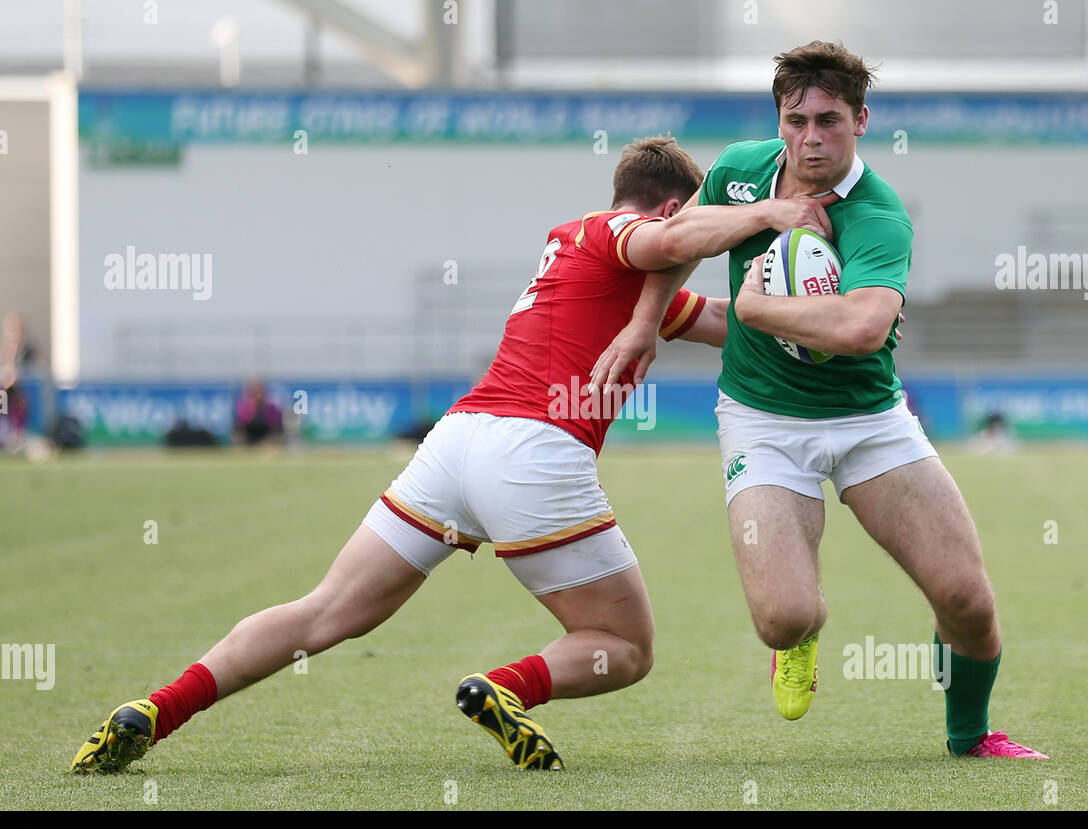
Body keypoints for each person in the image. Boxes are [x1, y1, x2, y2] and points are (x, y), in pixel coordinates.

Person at [69, 136, 836, 775]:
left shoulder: (595, 268)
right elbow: (667, 242)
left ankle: (157, 708)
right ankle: (505, 686)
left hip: (455, 444)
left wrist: (832, 322)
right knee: (627, 648)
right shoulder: (607, 232)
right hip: (534, 454)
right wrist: (770, 211)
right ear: (672, 204)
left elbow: (726, 321)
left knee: (325, 610)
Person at [595, 42, 1046, 760]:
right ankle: (799, 635)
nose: (811, 137)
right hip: (762, 422)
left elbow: (864, 328)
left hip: (870, 422)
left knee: (968, 601)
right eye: (796, 119)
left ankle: (971, 735)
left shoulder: (879, 214)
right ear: (779, 120)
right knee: (783, 616)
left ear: (861, 120)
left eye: (829, 120)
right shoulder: (743, 171)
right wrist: (645, 324)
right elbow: (678, 239)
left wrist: (756, 308)